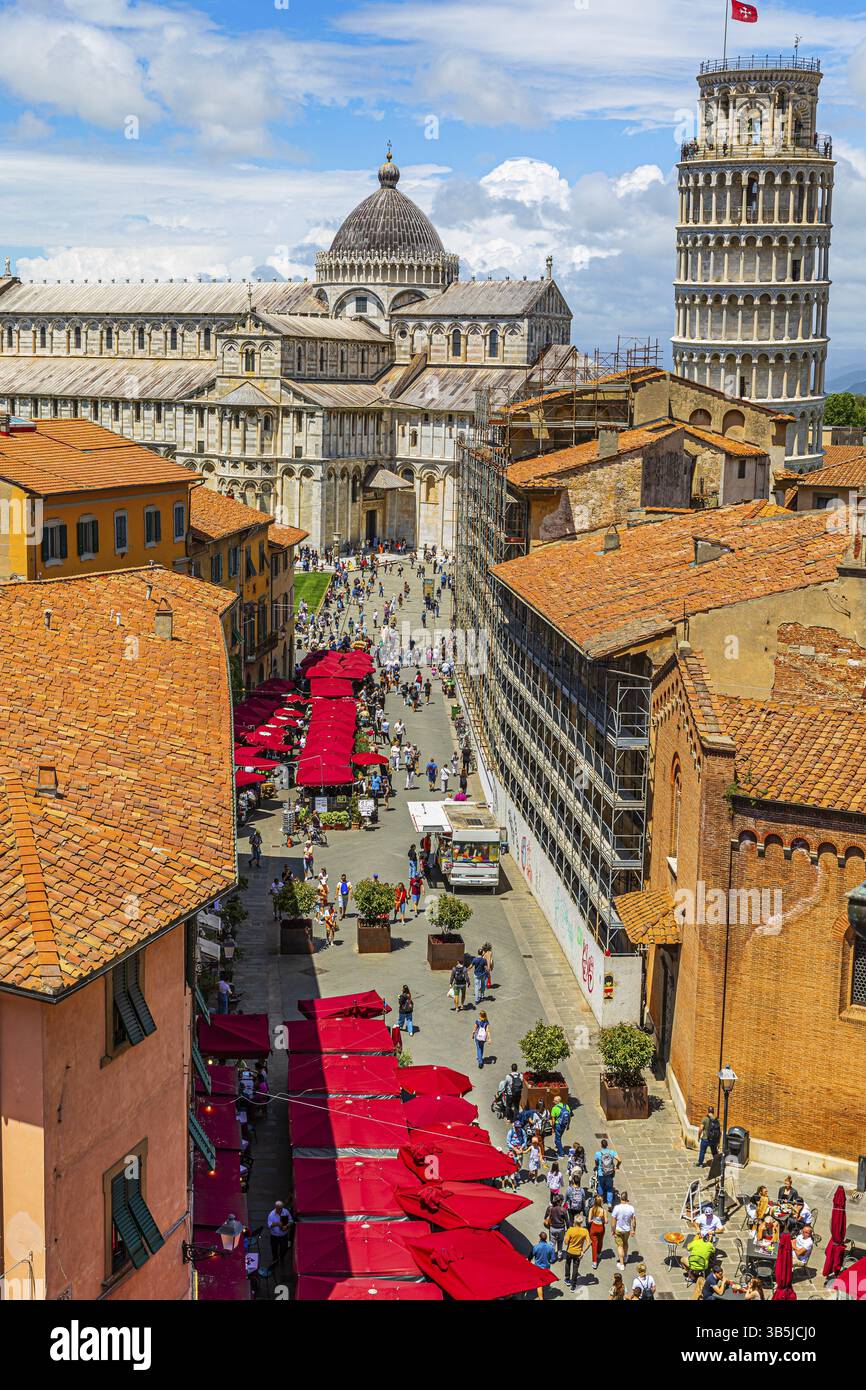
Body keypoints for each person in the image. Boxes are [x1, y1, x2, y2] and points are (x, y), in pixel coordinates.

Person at [610, 1191, 636, 1272]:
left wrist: (613, 1230)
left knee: (619, 1246)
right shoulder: (631, 1208)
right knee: (625, 1243)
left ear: (621, 1198)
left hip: (618, 1229)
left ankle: (621, 1264)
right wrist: (633, 1230)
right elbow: (634, 1221)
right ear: (627, 1199)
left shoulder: (617, 1208)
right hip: (627, 1230)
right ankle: (625, 1257)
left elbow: (613, 1222)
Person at [563, 1215, 591, 1289]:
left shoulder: (570, 1230)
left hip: (569, 1251)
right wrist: (583, 1252)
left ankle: (567, 1279)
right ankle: (573, 1285)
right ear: (581, 1222)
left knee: (568, 1264)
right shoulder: (585, 1231)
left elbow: (566, 1242)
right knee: (575, 1268)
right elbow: (589, 1243)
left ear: (574, 1221)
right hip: (578, 1253)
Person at [594, 1138, 620, 1207]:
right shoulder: (612, 1152)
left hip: (601, 1173)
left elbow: (596, 1163)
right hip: (609, 1173)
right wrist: (617, 1166)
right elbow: (619, 1160)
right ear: (607, 1145)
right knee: (609, 1188)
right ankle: (609, 1203)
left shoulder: (598, 1153)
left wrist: (596, 1166)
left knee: (600, 1186)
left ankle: (601, 1201)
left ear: (601, 1145)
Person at [544, 1193, 569, 1262]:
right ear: (560, 1201)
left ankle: (552, 1258)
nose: (563, 1201)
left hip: (552, 1228)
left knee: (552, 1243)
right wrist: (569, 1229)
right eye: (562, 1200)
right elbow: (567, 1221)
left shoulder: (551, 1209)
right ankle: (559, 1256)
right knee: (560, 1242)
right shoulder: (563, 1210)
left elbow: (545, 1217)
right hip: (561, 1229)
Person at [531, 1230, 555, 1299]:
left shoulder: (536, 1247)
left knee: (539, 1284)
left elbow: (531, 1256)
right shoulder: (550, 1247)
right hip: (546, 1267)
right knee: (543, 1280)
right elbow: (553, 1259)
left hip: (538, 1268)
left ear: (540, 1238)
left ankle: (541, 1298)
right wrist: (549, 1261)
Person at [588, 1195, 607, 1270]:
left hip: (593, 1227)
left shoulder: (592, 1209)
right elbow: (606, 1221)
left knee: (594, 1244)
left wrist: (593, 1220)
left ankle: (594, 1262)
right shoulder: (603, 1211)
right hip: (601, 1227)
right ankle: (599, 1253)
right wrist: (601, 1220)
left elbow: (589, 1220)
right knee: (600, 1241)